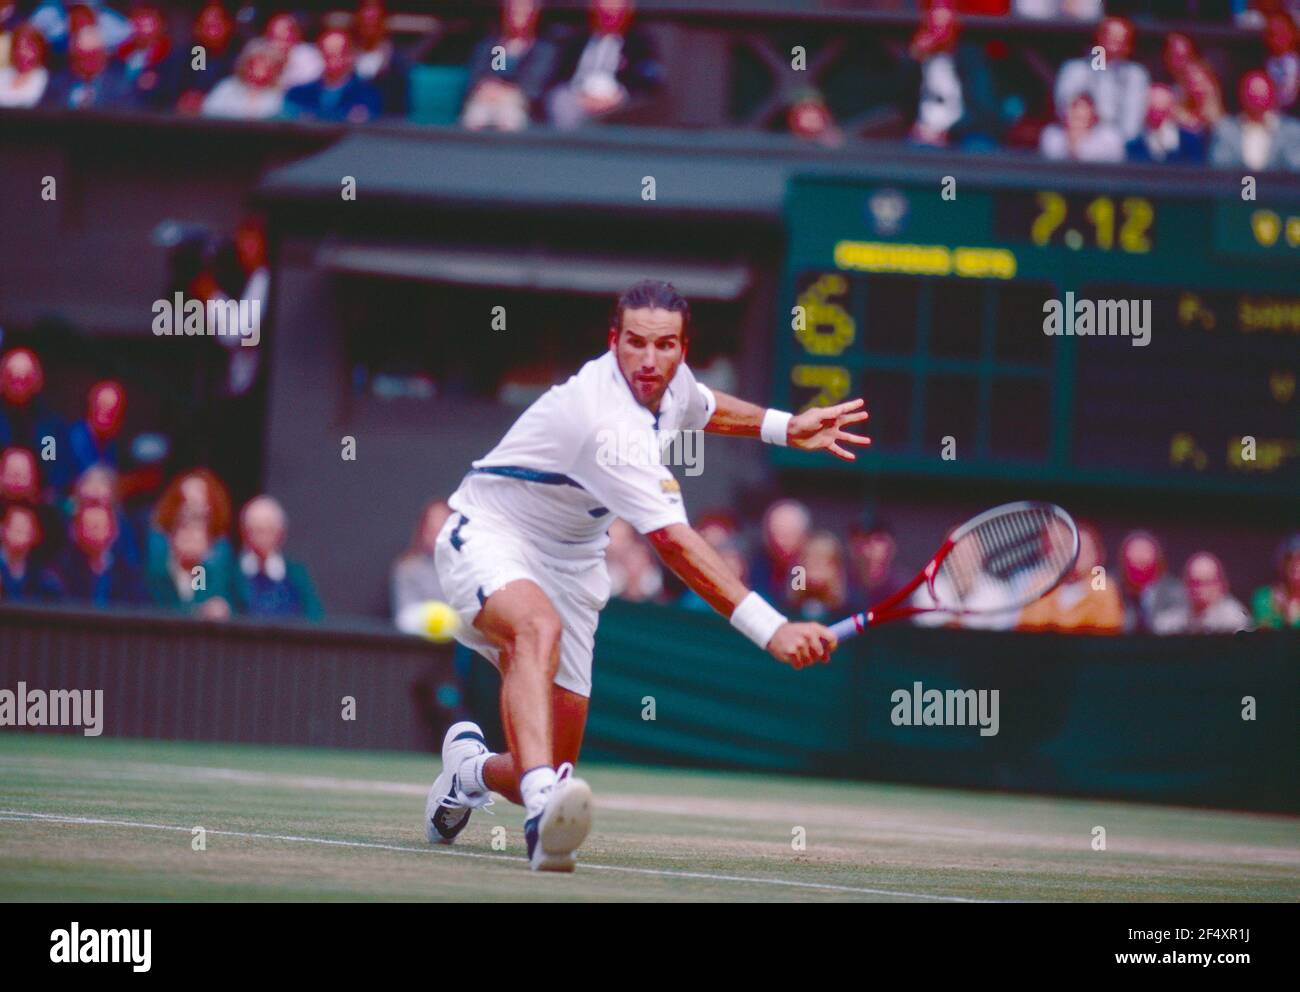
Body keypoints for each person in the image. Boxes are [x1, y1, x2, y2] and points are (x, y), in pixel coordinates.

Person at [424, 279, 868, 871]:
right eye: (634, 344)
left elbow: (703, 406)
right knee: (536, 629)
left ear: (683, 350)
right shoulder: (607, 425)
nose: (648, 360)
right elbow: (676, 545)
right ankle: (540, 817)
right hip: (489, 536)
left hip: (574, 566)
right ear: (613, 341)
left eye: (664, 346)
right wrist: (772, 628)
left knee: (555, 757)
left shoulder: (668, 383)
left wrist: (785, 427)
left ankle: (469, 773)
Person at [900, 1, 1001, 150]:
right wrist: (914, 60)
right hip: (925, 133)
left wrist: (949, 132)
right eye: (934, 13)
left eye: (945, 13)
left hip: (965, 133)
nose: (939, 19)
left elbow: (982, 107)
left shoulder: (970, 56)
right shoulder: (918, 56)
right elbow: (903, 101)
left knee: (979, 148)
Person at [545, 0, 659, 131]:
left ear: (628, 10)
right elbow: (557, 77)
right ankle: (567, 146)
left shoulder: (639, 43)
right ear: (594, 7)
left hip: (616, 102)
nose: (609, 11)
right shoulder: (577, 40)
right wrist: (582, 99)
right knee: (560, 99)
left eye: (615, 6)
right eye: (604, 5)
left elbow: (649, 81)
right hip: (576, 99)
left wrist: (619, 97)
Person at [461, 0, 560, 132]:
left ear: (534, 16)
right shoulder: (498, 48)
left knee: (508, 116)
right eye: (513, 12)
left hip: (520, 106)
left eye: (523, 13)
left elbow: (533, 85)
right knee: (476, 116)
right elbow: (493, 73)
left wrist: (505, 93)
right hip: (488, 100)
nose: (517, 17)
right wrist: (487, 88)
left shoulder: (542, 50)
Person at [1054, 15, 1149, 143]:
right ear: (1098, 37)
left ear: (1128, 45)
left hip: (1120, 145)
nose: (1114, 39)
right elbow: (1064, 111)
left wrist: (1120, 146)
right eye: (1110, 34)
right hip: (1079, 139)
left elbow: (1133, 122)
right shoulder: (1074, 70)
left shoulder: (1136, 75)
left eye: (1121, 37)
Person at [1017, 522, 1122, 633]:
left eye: (1085, 551)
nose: (1078, 556)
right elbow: (1028, 626)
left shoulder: (1104, 589)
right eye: (1071, 548)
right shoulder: (1042, 584)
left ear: (1096, 555)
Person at [234, 495, 322, 619]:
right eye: (254, 530)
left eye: (267, 530)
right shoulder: (233, 572)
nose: (260, 538)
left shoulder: (296, 573)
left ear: (280, 533)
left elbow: (314, 617)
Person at [44, 504, 146, 607]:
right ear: (76, 532)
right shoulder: (62, 571)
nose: (94, 532)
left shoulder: (127, 573)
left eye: (99, 526)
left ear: (113, 532)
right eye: (89, 526)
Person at [283, 28, 381, 122]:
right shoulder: (298, 94)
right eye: (327, 53)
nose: (332, 59)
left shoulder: (367, 94)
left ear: (350, 56)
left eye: (338, 53)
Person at [1211, 70, 1300, 172]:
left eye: (1261, 91)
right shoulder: (1225, 129)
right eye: (1252, 91)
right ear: (1242, 94)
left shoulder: (1292, 130)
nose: (1257, 96)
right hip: (1238, 186)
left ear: (1272, 93)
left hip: (1277, 187)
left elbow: (1295, 167)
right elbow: (1219, 166)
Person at [1153, 552, 1252, 634]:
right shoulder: (1175, 614)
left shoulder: (1236, 619)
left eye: (1206, 583)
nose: (1198, 589)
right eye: (1193, 582)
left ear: (1221, 585)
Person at [41, 22, 130, 109]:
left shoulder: (120, 87)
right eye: (83, 55)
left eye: (93, 54)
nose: (88, 60)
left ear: (104, 55)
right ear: (74, 55)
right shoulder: (58, 84)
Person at [391, 498, 453, 620]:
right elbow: (405, 617)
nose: (438, 535)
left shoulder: (469, 567)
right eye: (433, 528)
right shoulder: (408, 568)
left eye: (443, 527)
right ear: (423, 531)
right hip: (421, 638)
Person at [176, 1, 238, 113]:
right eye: (206, 26)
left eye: (216, 26)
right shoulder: (198, 52)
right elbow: (196, 83)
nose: (211, 32)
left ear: (228, 26)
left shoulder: (238, 55)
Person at [1118, 530, 1184, 634]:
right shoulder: (1113, 591)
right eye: (1134, 550)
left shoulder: (1174, 591)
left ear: (1157, 558)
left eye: (1144, 551)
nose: (1139, 557)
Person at [201, 37, 284, 118]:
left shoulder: (279, 94)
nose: (262, 68)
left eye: (268, 64)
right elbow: (208, 114)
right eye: (258, 62)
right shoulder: (226, 88)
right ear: (247, 64)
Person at [1126, 83, 1205, 164]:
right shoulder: (1135, 146)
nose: (1157, 114)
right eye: (1153, 108)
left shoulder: (1190, 142)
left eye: (1162, 109)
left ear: (1171, 108)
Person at [1040, 92, 1124, 163]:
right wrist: (1071, 142)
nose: (1075, 116)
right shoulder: (1052, 136)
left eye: (1080, 117)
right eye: (1073, 112)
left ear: (1092, 115)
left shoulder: (1109, 138)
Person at [0, 503, 60, 601]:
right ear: (3, 530)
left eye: (25, 530)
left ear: (34, 535)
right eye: (16, 528)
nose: (19, 534)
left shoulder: (43, 576)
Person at [67, 379, 126, 479]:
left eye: (112, 412)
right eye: (102, 407)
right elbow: (91, 479)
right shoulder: (74, 439)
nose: (105, 416)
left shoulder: (110, 446)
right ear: (91, 406)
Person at [1251, 533, 1300, 629]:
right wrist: (1279, 615)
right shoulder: (1264, 596)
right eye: (1289, 558)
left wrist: (1295, 621)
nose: (1296, 564)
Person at [0, 24, 50, 107]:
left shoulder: (45, 78)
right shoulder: (3, 74)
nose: (22, 52)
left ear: (40, 49)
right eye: (18, 47)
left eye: (29, 47)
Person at [1264, 12, 1300, 111]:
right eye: (1272, 34)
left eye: (1282, 32)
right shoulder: (1261, 66)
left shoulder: (1295, 63)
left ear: (1294, 33)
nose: (1276, 39)